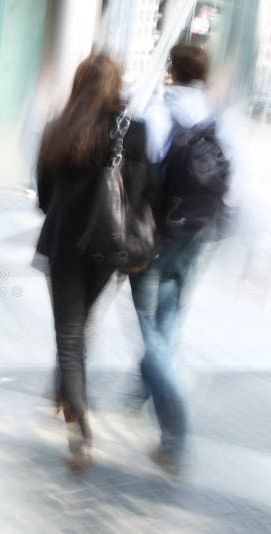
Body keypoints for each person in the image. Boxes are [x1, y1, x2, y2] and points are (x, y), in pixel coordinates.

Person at [36, 55, 150, 473]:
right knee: (80, 327)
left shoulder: (57, 130)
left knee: (69, 336)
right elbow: (139, 195)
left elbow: (44, 199)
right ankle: (68, 394)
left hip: (64, 245)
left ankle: (79, 428)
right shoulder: (133, 131)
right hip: (108, 248)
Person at [129, 44, 229, 474]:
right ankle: (144, 387)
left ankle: (174, 427)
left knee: (149, 327)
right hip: (200, 234)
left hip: (159, 234)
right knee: (169, 317)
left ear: (171, 70)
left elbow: (138, 178)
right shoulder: (217, 117)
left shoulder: (158, 113)